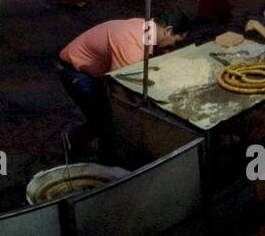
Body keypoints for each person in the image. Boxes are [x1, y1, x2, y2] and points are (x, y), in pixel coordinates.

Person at [58, 14, 189, 163]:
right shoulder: (132, 42)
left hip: (89, 68)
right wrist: (137, 114)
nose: (173, 48)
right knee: (109, 121)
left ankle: (71, 140)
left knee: (102, 118)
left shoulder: (147, 28)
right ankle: (107, 165)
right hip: (75, 71)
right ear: (168, 30)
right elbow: (119, 90)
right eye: (175, 42)